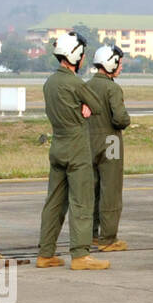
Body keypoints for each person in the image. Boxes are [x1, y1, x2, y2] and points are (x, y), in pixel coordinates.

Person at [37, 32, 110, 271]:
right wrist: (84, 106)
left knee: (54, 202)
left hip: (57, 145)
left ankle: (45, 253)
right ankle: (80, 255)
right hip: (77, 148)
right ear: (75, 54)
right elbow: (97, 106)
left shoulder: (49, 83)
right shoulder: (75, 83)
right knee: (82, 202)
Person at [87, 44, 131, 252]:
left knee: (91, 191)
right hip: (110, 144)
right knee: (110, 191)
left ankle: (91, 235)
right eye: (119, 63)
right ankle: (108, 238)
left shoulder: (85, 86)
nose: (121, 67)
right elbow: (120, 119)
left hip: (87, 143)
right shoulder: (112, 88)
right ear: (110, 63)